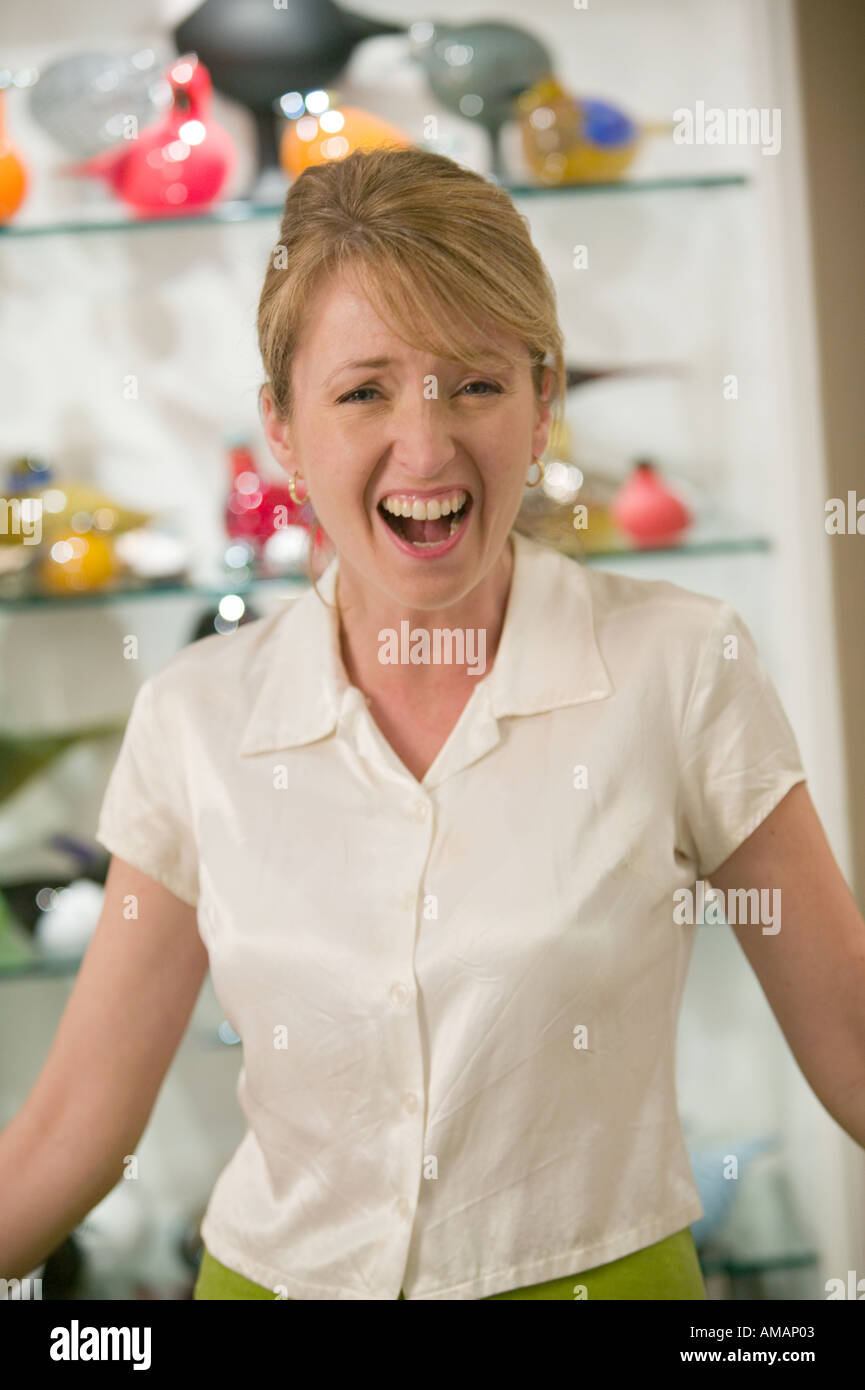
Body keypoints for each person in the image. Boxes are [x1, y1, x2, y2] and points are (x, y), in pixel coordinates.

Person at [1, 147, 863, 1302]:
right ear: (285, 432)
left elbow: (851, 1035)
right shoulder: (196, 718)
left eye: (474, 383)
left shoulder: (678, 663)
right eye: (363, 389)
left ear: (543, 401)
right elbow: (71, 1131)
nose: (425, 446)